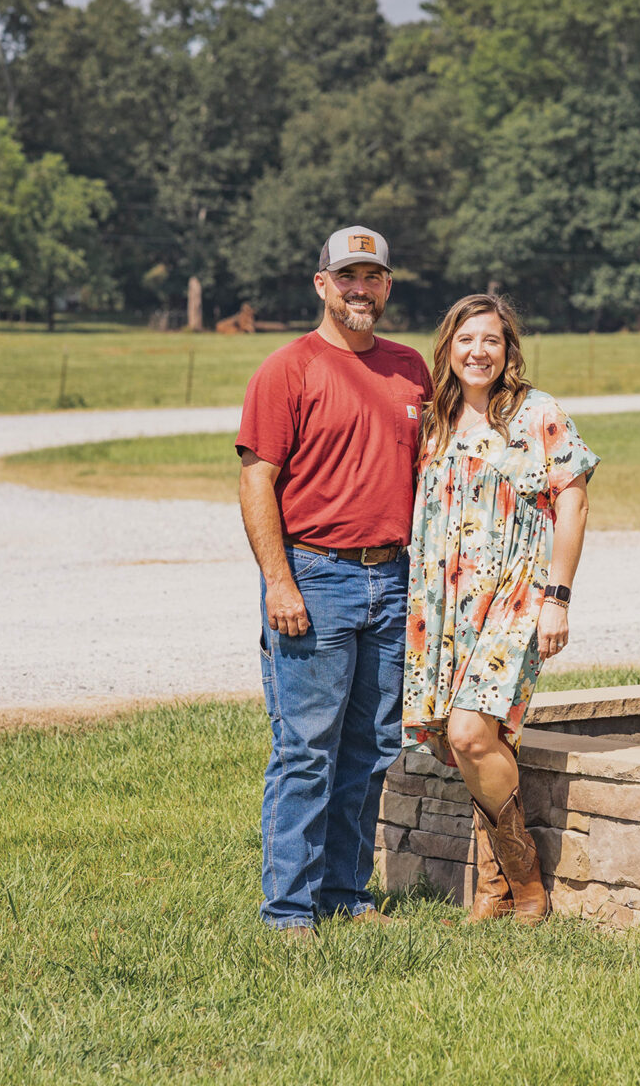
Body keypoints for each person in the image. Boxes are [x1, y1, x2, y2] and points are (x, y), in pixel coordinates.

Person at [235, 226, 431, 939]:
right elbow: (258, 479)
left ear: (387, 286)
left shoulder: (411, 369)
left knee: (372, 747)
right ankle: (288, 911)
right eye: (346, 276)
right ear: (321, 284)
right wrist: (279, 582)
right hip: (316, 578)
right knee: (306, 749)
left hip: (394, 578)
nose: (360, 290)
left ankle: (345, 894)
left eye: (372, 277)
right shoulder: (288, 369)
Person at [403, 294, 598, 924]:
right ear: (448, 347)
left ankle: (526, 882)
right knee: (456, 740)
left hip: (516, 593)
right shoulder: (435, 419)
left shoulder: (538, 414)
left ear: (508, 349)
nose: (477, 352)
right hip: (445, 602)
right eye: (465, 340)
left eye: (490, 340)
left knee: (468, 730)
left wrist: (557, 598)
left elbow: (573, 503)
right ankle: (494, 891)